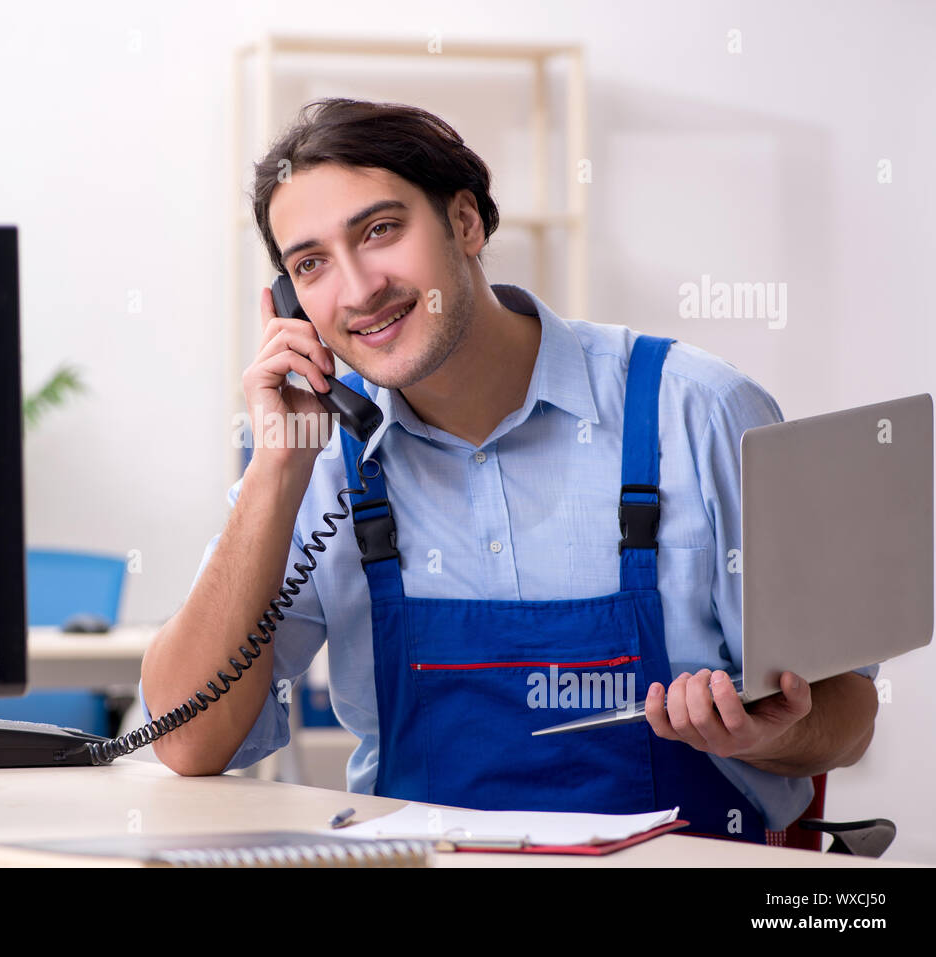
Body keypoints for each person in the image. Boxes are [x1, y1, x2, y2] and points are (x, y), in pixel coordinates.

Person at [137, 98, 879, 842]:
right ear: (291, 305)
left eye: (381, 230)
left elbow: (848, 715)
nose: (359, 288)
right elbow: (188, 740)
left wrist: (762, 735)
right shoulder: (325, 454)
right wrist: (278, 465)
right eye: (312, 264)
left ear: (466, 223)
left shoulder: (701, 412)